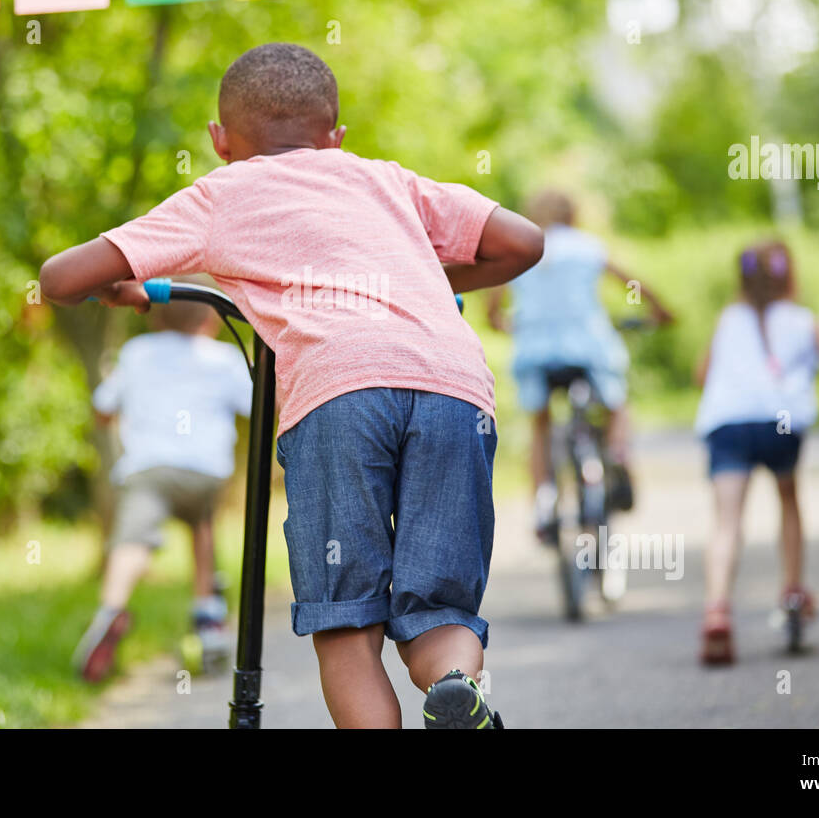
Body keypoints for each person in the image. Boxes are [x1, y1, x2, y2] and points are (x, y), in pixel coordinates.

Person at [40, 43, 544, 728]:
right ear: (336, 136)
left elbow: (59, 279)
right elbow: (523, 241)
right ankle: (459, 688)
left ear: (220, 140)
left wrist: (126, 287)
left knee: (347, 625)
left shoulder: (220, 194)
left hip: (340, 392)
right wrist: (421, 284)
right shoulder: (384, 179)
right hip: (454, 387)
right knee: (440, 613)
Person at [72, 280, 253, 683]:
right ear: (212, 318)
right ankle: (207, 617)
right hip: (205, 471)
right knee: (202, 527)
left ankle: (111, 609)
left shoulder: (137, 353)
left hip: (150, 470)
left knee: (132, 541)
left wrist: (119, 415)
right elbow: (258, 403)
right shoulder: (223, 358)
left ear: (154, 315)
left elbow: (103, 408)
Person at [693, 239, 819, 665]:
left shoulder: (728, 319)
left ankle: (717, 610)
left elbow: (701, 375)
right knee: (787, 498)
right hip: (780, 425)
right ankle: (791, 590)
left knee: (727, 521)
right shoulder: (804, 320)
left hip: (728, 422)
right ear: (791, 276)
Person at [487, 189, 672, 542]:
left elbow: (494, 306)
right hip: (589, 348)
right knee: (616, 406)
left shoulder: (522, 248)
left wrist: (505, 322)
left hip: (537, 351)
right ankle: (618, 456)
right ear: (572, 215)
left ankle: (544, 499)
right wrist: (659, 311)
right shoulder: (587, 247)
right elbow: (630, 282)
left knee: (540, 425)